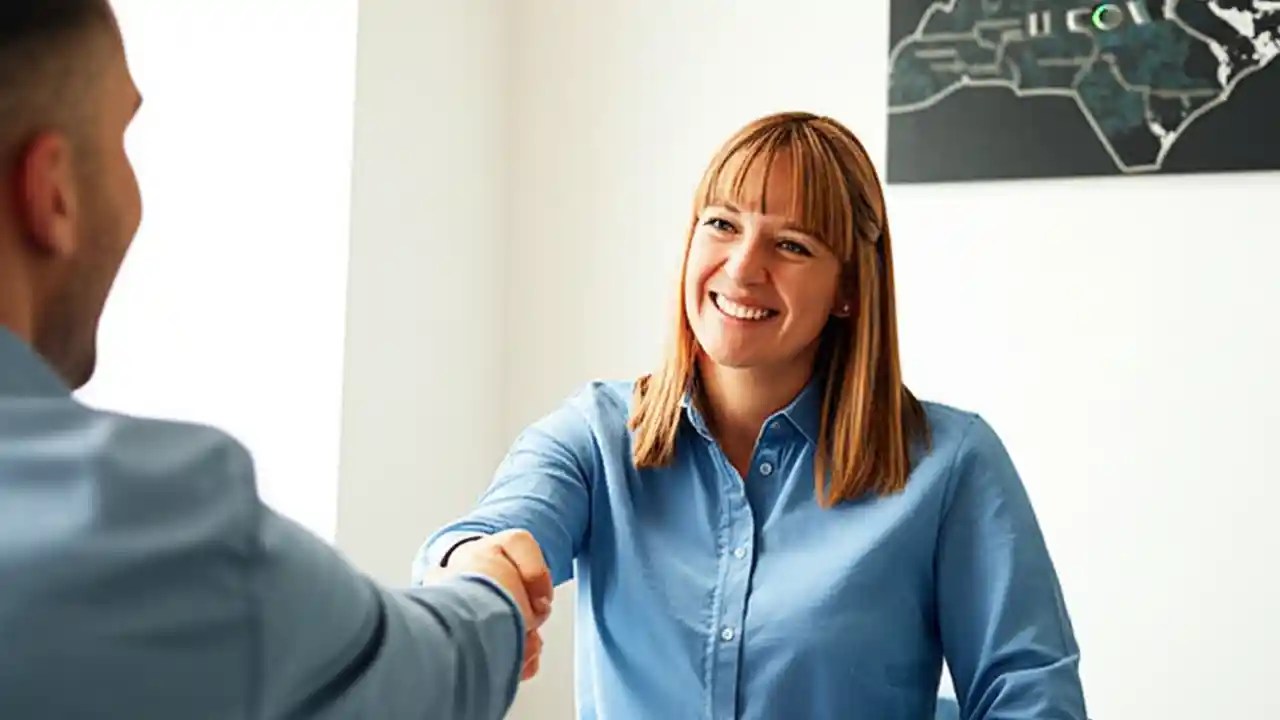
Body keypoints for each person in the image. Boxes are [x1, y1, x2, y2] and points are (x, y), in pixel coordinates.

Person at [417, 112, 1089, 719]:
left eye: (791, 245)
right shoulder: (596, 435)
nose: (742, 268)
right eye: (722, 224)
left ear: (849, 290)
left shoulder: (951, 465)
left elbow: (1031, 697)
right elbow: (489, 536)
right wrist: (482, 568)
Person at [0, 2, 549, 717]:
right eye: (122, 137)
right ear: (53, 192)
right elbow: (426, 672)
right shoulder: (150, 529)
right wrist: (485, 584)